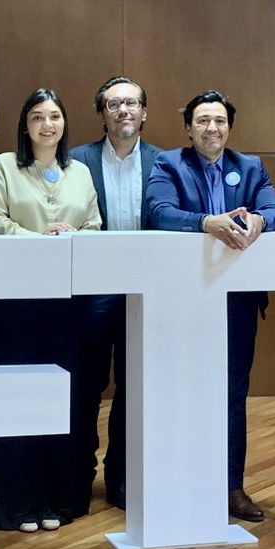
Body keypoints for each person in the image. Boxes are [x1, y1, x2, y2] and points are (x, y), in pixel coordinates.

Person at [145, 90, 275, 523]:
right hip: (181, 300)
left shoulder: (250, 167)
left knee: (232, 395)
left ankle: (230, 486)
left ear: (229, 127)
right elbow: (159, 212)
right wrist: (207, 223)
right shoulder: (169, 164)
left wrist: (261, 220)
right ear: (188, 128)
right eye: (203, 121)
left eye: (220, 121)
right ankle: (178, 481)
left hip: (237, 302)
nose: (212, 129)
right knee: (180, 391)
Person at [0, 87, 102, 531]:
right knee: (19, 398)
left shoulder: (81, 172)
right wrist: (42, 241)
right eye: (37, 117)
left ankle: (56, 498)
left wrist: (69, 235)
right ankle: (16, 500)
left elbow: (93, 226)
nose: (47, 125)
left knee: (61, 401)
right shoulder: (4, 167)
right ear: (24, 125)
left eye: (54, 116)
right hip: (14, 302)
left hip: (66, 304)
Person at [68, 76, 162, 509]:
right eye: (113, 104)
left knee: (134, 387)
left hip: (146, 292)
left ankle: (121, 475)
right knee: (86, 385)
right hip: (92, 291)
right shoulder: (76, 161)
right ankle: (78, 474)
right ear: (101, 114)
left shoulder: (165, 163)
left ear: (144, 112)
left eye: (131, 103)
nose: (123, 110)